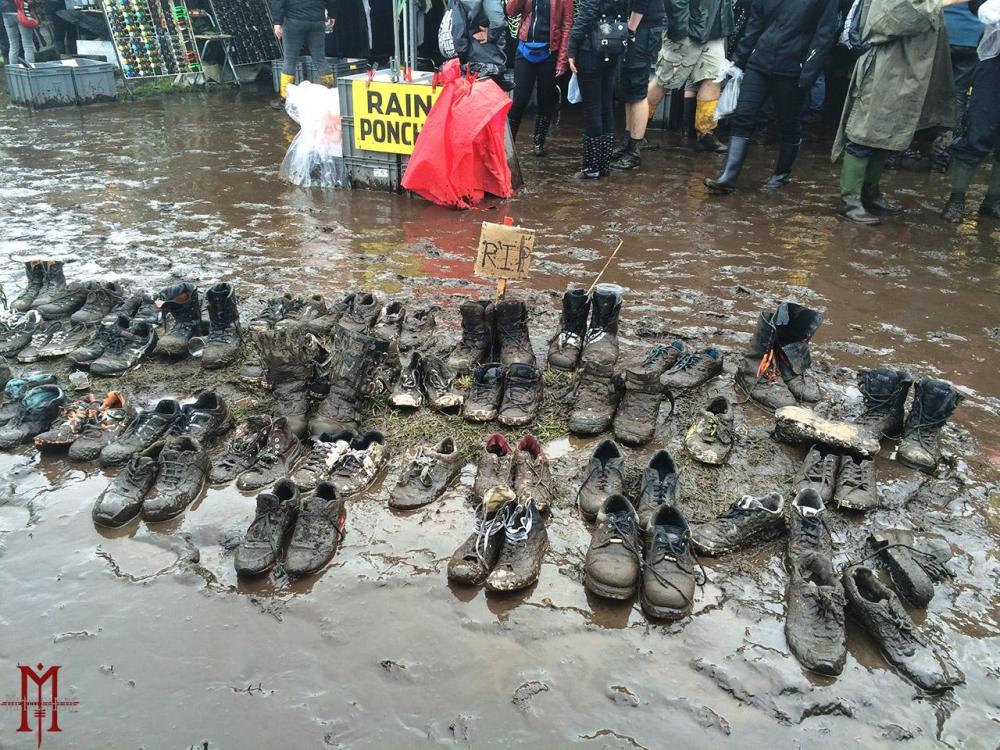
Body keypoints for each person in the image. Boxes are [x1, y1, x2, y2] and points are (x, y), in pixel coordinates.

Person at [832, 0, 961, 225]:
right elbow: (894, 18)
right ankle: (850, 201)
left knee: (887, 130)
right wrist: (943, 2)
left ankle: (870, 193)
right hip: (885, 66)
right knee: (865, 131)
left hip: (906, 69)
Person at [704, 0, 838, 193]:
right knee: (743, 115)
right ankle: (728, 178)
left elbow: (824, 34)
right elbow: (755, 22)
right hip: (760, 61)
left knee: (788, 123)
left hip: (793, 68)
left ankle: (781, 176)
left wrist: (808, 71)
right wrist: (739, 57)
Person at [645, 0, 735, 153]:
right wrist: (680, 29)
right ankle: (636, 130)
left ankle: (706, 132)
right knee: (664, 80)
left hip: (714, 29)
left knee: (713, 78)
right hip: (687, 30)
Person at [942, 0, 1000, 222]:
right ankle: (956, 199)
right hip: (993, 62)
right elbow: (977, 4)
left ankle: (993, 200)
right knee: (978, 128)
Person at [567, 0, 628, 178]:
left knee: (592, 108)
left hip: (590, 50)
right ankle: (603, 165)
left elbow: (586, 15)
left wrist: (571, 49)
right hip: (613, 45)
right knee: (606, 106)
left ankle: (591, 167)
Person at [506, 0, 574, 155]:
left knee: (545, 99)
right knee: (519, 100)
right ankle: (508, 146)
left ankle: (539, 143)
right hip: (524, 49)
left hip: (550, 51)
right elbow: (511, 11)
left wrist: (562, 61)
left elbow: (567, 25)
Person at [608, 0, 666, 170]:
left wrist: (630, 30)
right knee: (630, 89)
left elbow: (640, 3)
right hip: (642, 27)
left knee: (638, 90)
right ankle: (628, 142)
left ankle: (634, 151)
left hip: (642, 29)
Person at [271, 0, 336, 107]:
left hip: (294, 22)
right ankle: (330, 93)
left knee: (290, 60)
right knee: (320, 59)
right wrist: (332, 15)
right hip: (317, 21)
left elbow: (278, 2)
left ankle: (284, 98)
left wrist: (277, 22)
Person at [943, 2, 983, 141]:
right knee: (958, 92)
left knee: (931, 90)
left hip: (944, 34)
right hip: (974, 37)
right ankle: (948, 140)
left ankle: (924, 142)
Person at [2, 0, 35, 65]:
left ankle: (14, 72)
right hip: (21, 13)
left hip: (6, 14)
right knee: (27, 45)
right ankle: (30, 71)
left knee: (13, 46)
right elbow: (29, 2)